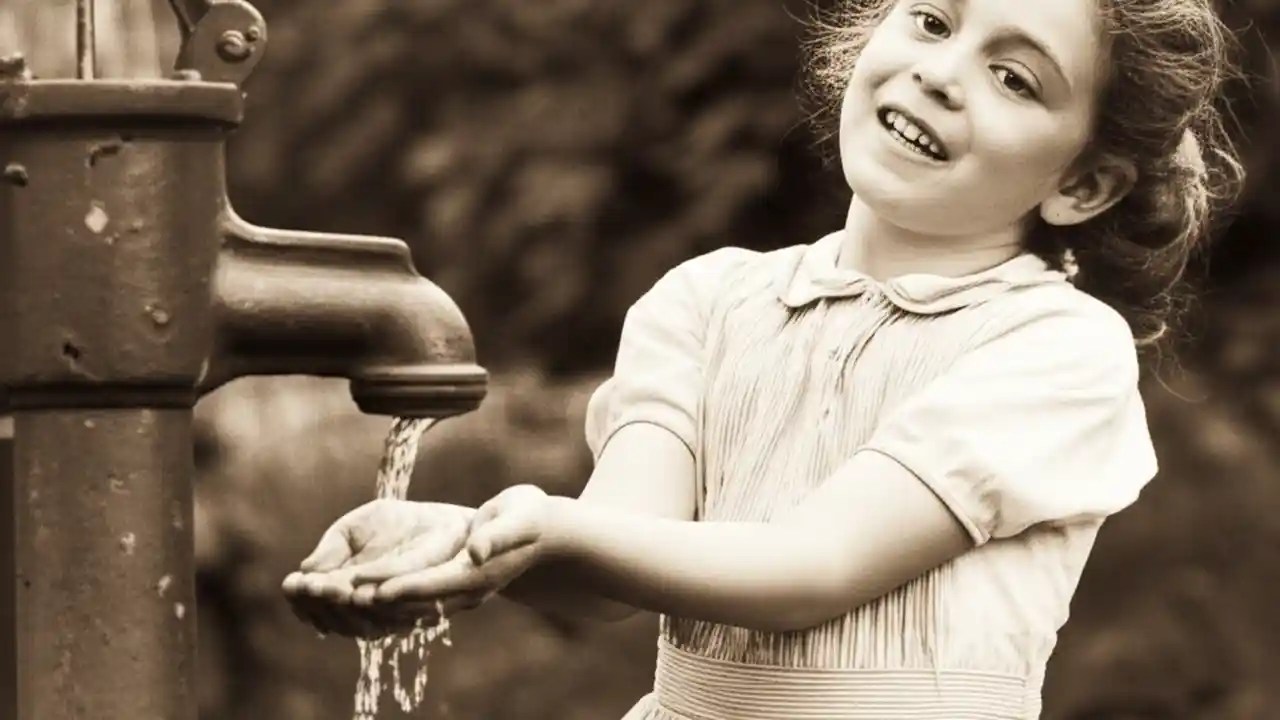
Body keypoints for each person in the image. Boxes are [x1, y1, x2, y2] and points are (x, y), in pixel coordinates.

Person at [282, 0, 1244, 716]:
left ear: (1082, 183)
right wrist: (468, 540)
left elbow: (814, 568)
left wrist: (544, 527)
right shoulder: (707, 302)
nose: (943, 73)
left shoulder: (1056, 347)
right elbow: (615, 556)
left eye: (1015, 78)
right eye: (932, 20)